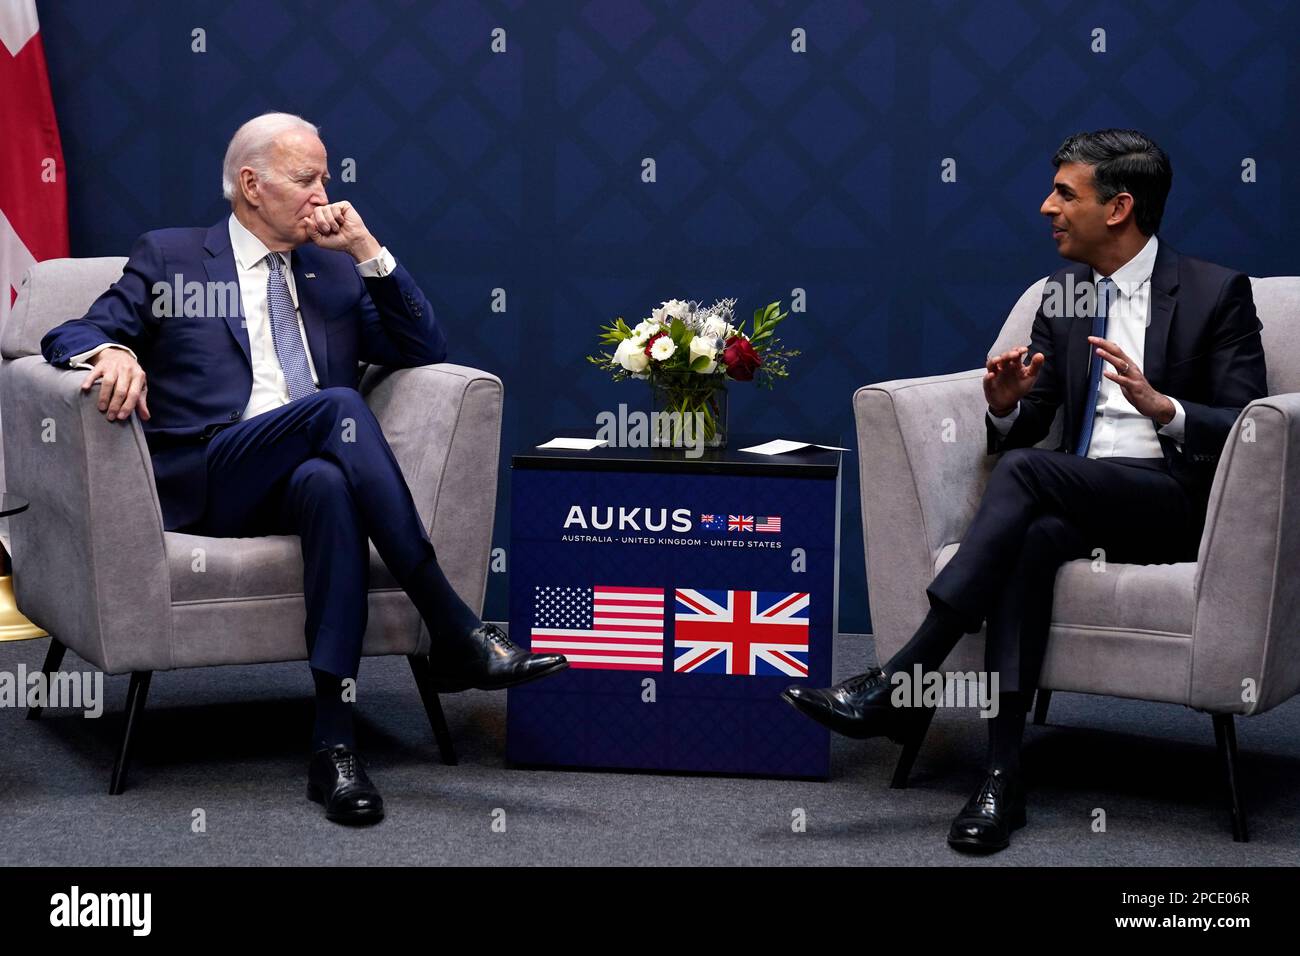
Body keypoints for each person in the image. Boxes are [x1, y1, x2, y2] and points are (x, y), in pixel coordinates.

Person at [40, 112, 568, 825]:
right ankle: (450, 623)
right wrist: (113, 353)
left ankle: (335, 748)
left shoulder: (331, 272)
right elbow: (70, 331)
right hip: (209, 473)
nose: (326, 193)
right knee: (339, 408)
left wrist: (370, 252)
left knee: (327, 485)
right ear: (251, 186)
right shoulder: (171, 259)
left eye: (327, 175)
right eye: (307, 177)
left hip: (300, 474)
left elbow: (422, 344)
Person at [783, 129, 1268, 852]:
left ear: (1119, 208)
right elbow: (1032, 425)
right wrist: (1007, 403)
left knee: (1025, 476)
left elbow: (1245, 425)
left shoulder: (1214, 292)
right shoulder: (1065, 295)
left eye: (1065, 194)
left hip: (1173, 502)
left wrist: (1161, 407)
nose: (1047, 208)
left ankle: (904, 678)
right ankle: (1001, 779)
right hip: (1083, 497)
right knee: (1030, 540)